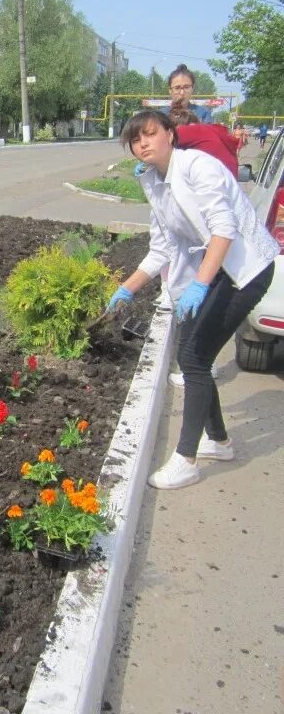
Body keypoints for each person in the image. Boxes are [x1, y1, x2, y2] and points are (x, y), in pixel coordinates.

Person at [108, 110, 277, 490]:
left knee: (194, 357)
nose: (143, 144)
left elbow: (224, 228)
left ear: (170, 134)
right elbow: (161, 249)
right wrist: (126, 289)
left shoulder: (200, 167)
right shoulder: (155, 184)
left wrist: (200, 286)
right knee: (194, 352)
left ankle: (186, 459)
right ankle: (218, 441)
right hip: (217, 270)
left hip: (247, 269)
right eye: (135, 141)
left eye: (150, 134)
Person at [169, 105, 240, 178]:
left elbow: (164, 141)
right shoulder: (212, 130)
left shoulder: (190, 130)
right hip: (231, 179)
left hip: (213, 180)